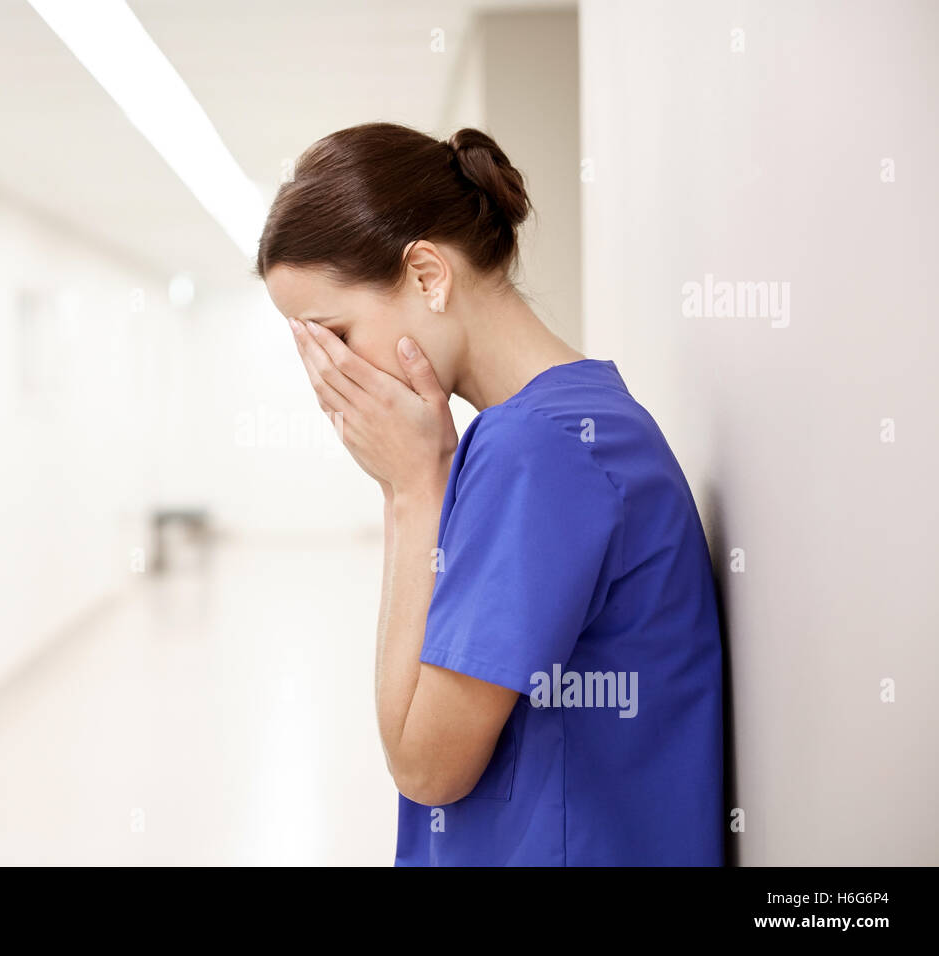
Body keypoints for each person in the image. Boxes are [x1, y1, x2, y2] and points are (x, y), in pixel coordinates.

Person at [254, 122, 724, 865]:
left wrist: (411, 491)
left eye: (335, 333)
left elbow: (426, 767)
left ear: (428, 276)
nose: (329, 373)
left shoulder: (534, 452)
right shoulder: (563, 423)